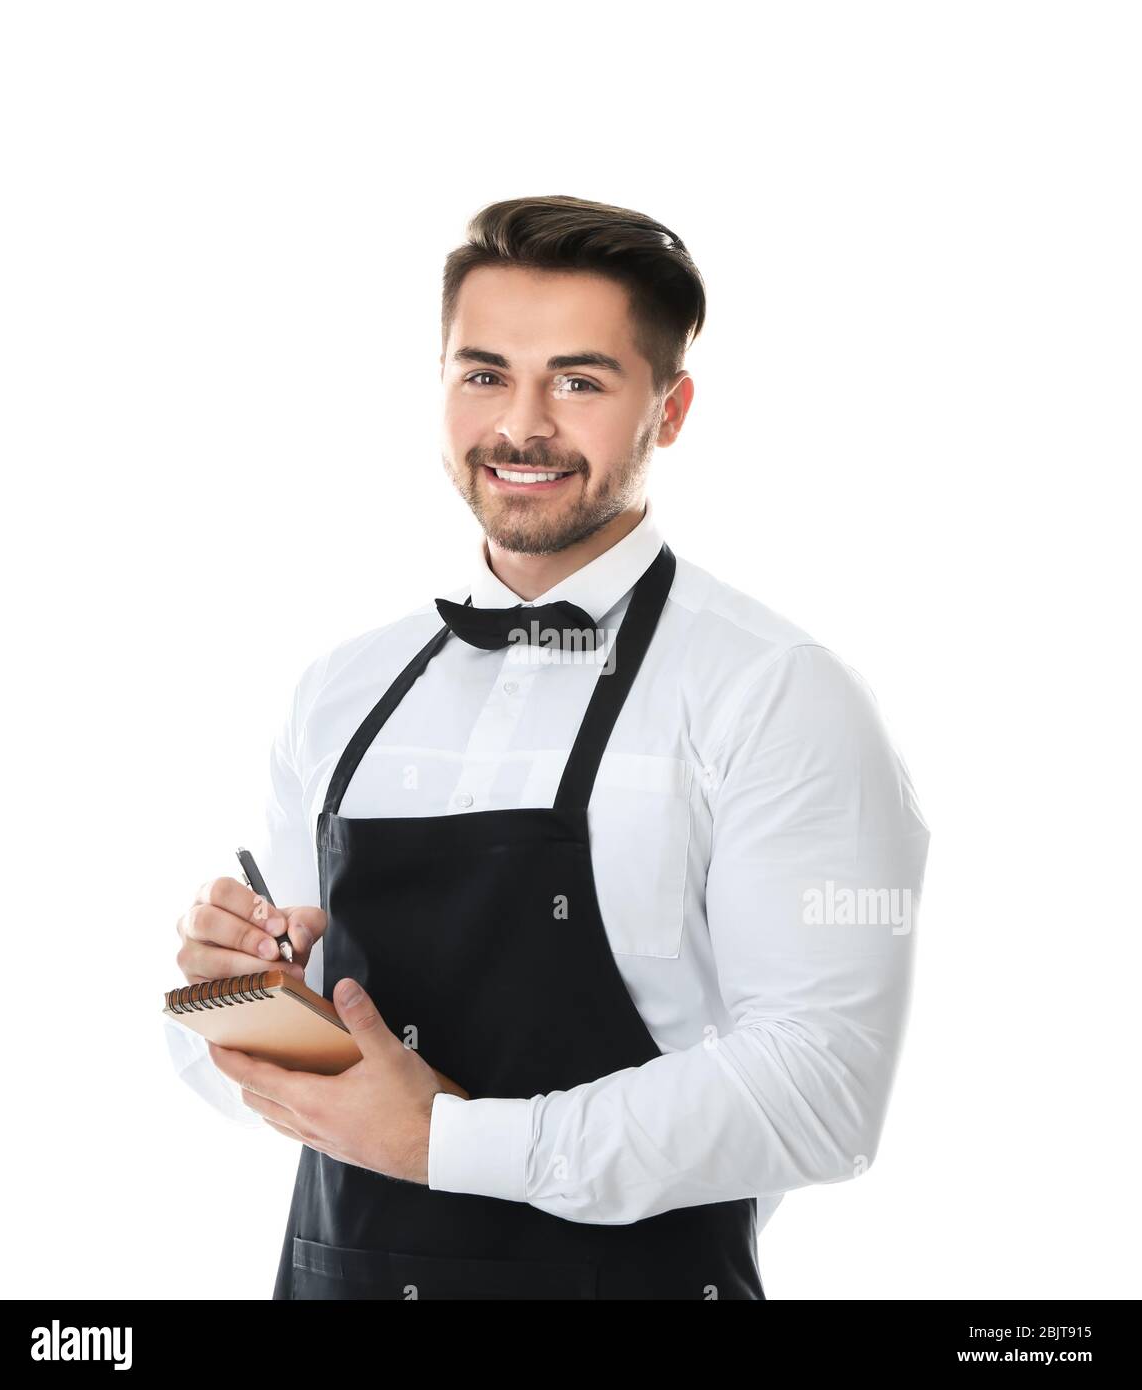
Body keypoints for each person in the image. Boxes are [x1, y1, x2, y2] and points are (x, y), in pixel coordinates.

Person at [167, 193, 931, 1300]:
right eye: (484, 374)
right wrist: (231, 994)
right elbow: (265, 1071)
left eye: (578, 381)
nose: (521, 425)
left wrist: (448, 1139)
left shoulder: (775, 694)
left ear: (669, 411)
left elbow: (824, 1092)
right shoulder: (340, 691)